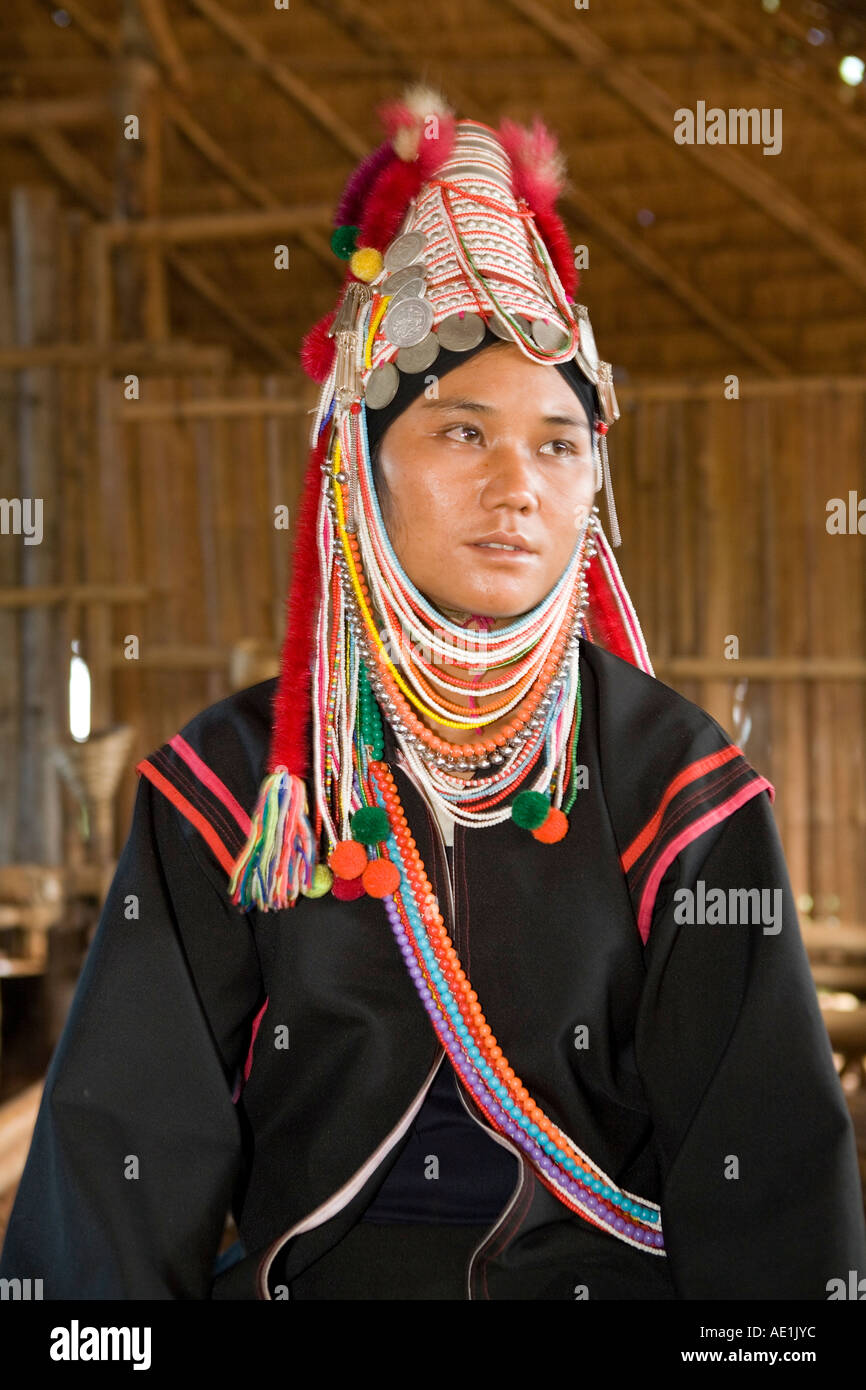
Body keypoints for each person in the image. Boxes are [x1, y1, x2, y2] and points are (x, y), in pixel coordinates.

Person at [2, 90, 864, 1302]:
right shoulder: (236, 786)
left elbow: (767, 1181)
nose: (518, 484)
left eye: (559, 443)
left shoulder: (679, 786)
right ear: (360, 468)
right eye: (461, 433)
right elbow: (116, 1175)